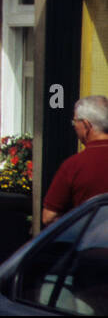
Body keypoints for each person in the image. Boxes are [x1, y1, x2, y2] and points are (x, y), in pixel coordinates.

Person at [42, 95, 108, 225]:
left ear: (86, 125)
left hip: (91, 241)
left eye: (75, 122)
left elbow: (49, 217)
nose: (74, 127)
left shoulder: (74, 166)